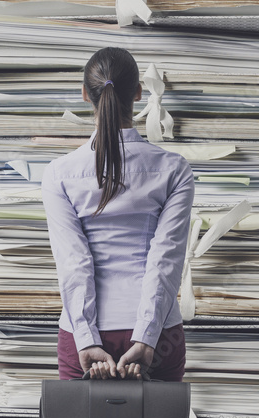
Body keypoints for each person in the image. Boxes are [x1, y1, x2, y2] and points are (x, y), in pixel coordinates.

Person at [41, 46, 195, 381]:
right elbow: (165, 260)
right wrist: (146, 335)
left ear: (85, 95)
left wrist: (85, 337)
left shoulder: (58, 174)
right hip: (158, 335)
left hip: (84, 336)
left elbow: (74, 264)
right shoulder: (175, 170)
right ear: (139, 93)